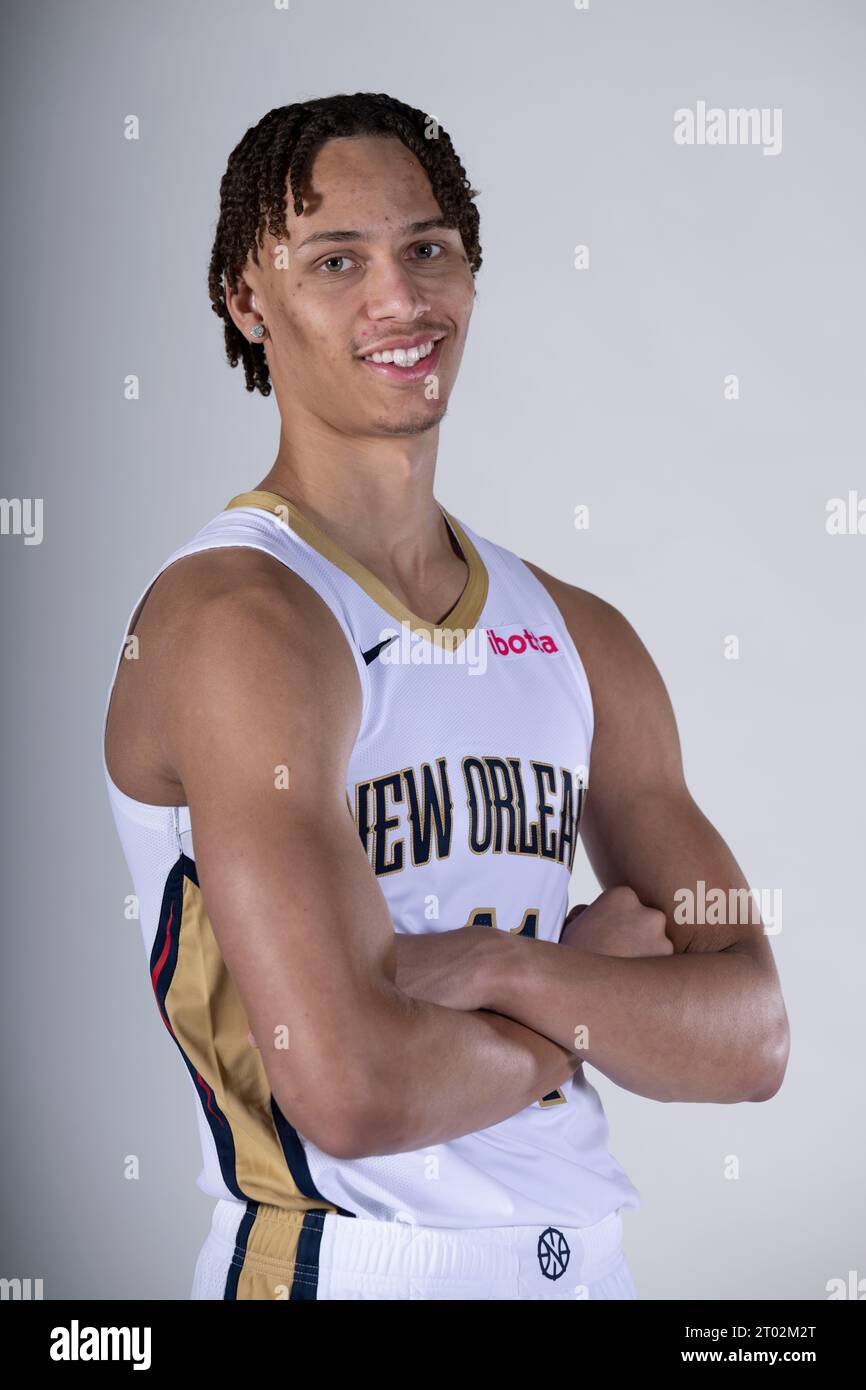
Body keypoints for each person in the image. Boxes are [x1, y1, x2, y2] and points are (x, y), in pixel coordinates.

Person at [102, 91, 789, 1301]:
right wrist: (594, 1002)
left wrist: (509, 970)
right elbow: (353, 1089)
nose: (398, 301)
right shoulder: (238, 623)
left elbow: (748, 1036)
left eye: (426, 248)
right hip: (346, 1268)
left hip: (589, 1268)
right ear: (246, 302)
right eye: (335, 260)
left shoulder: (578, 633)